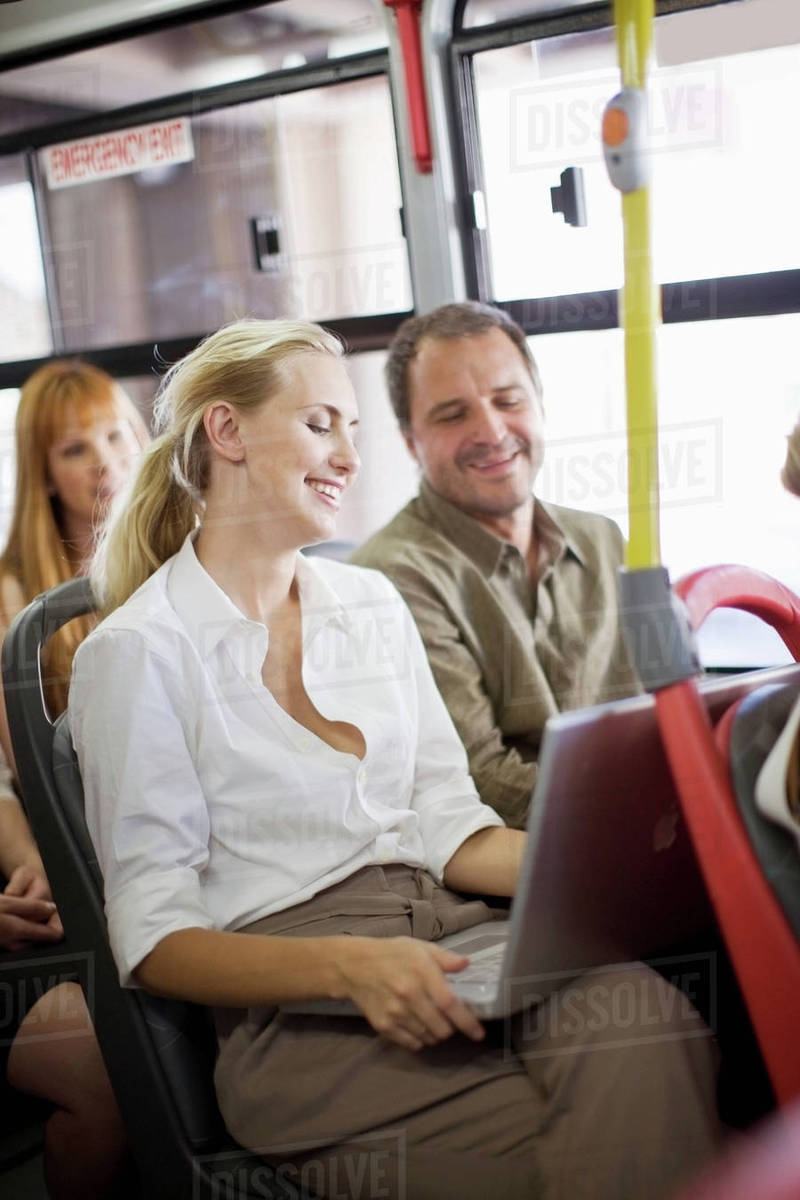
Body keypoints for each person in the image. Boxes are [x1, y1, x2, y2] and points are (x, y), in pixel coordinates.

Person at [69, 318, 721, 1199]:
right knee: (578, 1156)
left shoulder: (369, 604)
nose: (348, 456)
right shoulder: (138, 651)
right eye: (319, 425)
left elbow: (451, 826)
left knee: (653, 1021)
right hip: (302, 1011)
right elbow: (153, 939)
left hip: (466, 939)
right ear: (226, 433)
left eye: (353, 430)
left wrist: (596, 872)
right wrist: (354, 966)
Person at [352, 301, 640, 827]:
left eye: (508, 400)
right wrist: (653, 804)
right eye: (453, 414)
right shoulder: (389, 577)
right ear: (410, 441)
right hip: (520, 864)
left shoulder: (605, 540)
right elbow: (479, 779)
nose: (491, 430)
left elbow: (664, 713)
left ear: (539, 405)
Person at [0, 359, 147, 1198]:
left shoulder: (175, 564)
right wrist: (40, 861)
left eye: (118, 434)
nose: (105, 462)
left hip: (147, 867)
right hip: (57, 886)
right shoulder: (14, 597)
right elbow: (9, 782)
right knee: (107, 1086)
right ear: (42, 473)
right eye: (75, 449)